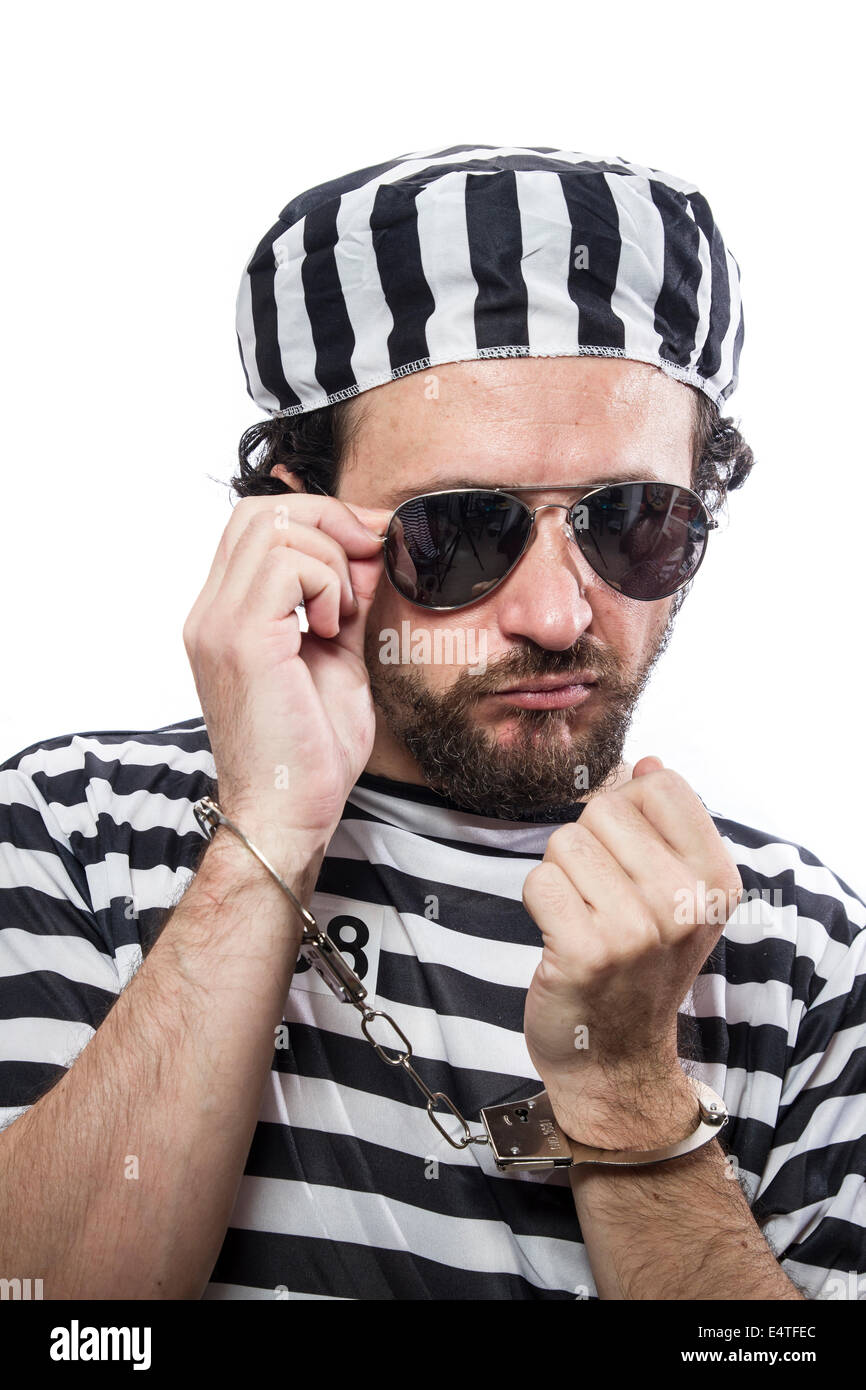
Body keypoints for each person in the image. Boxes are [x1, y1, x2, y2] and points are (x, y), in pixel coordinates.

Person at [0, 145, 863, 1301]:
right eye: (459, 528)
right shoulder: (74, 834)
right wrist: (271, 823)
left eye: (634, 523)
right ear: (293, 517)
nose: (558, 615)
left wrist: (624, 1087)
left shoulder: (799, 955)